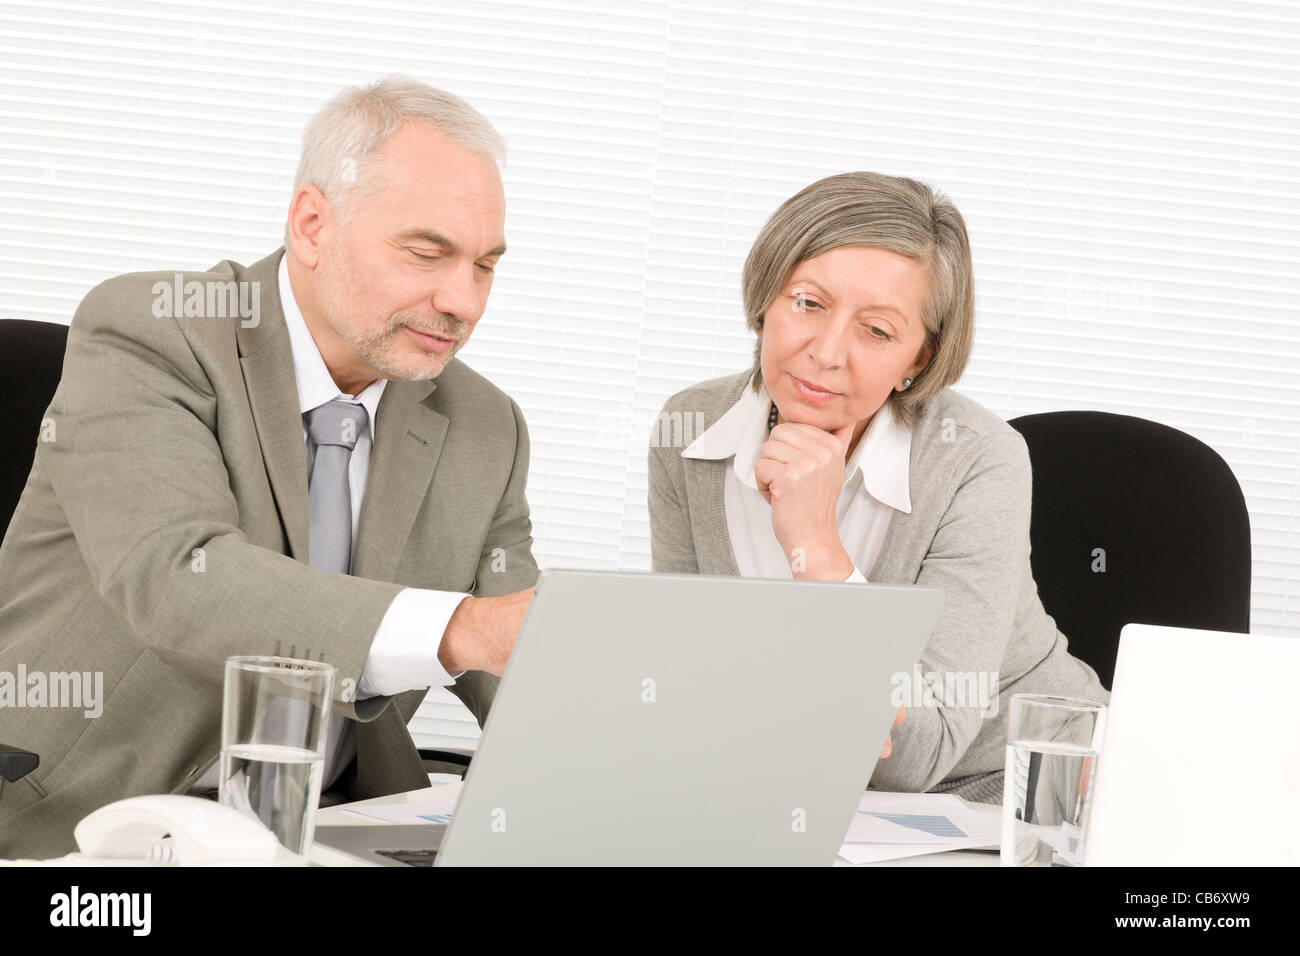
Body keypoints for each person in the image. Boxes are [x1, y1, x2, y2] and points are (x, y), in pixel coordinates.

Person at [0, 76, 538, 859]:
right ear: (313, 225)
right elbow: (176, 575)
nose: (465, 301)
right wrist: (460, 627)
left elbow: (519, 658)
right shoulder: (155, 332)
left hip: (338, 831)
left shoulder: (485, 425)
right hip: (96, 823)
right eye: (428, 253)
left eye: (486, 265)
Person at [648, 171, 1109, 803]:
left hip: (1019, 792)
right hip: (820, 799)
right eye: (807, 303)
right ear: (764, 303)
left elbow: (914, 758)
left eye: (878, 331)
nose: (827, 353)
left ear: (918, 359)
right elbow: (696, 679)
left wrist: (816, 544)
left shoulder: (978, 458)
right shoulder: (690, 431)